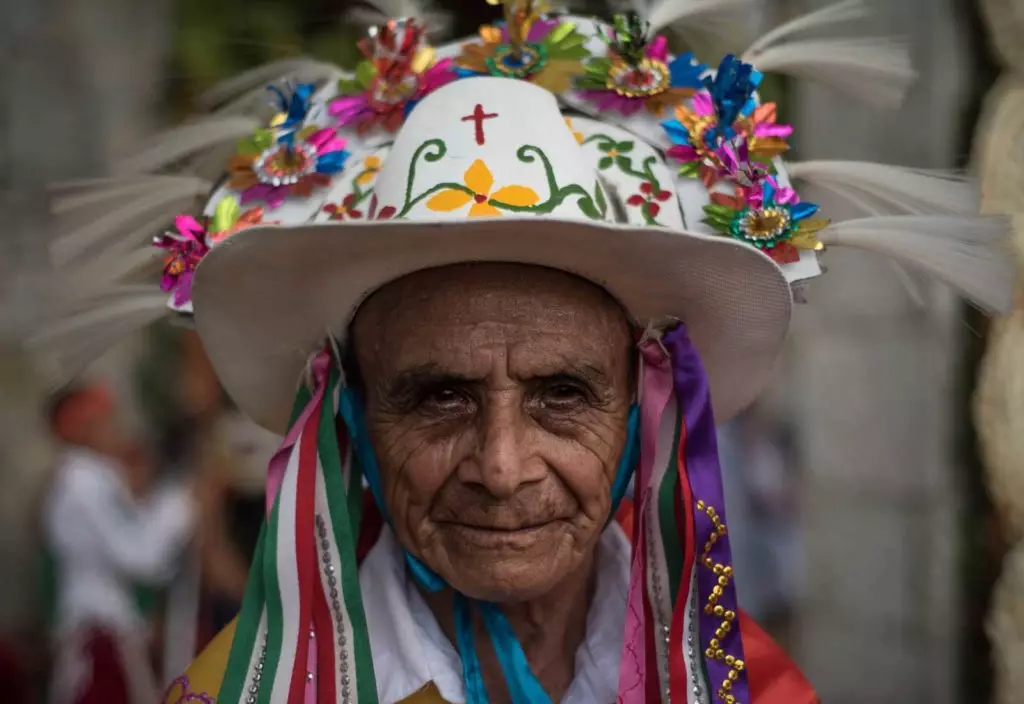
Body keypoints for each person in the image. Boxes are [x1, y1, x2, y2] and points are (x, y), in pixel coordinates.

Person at [41, 2, 1012, 703]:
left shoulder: (741, 685)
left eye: (560, 395)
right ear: (354, 415)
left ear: (641, 407)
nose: (503, 468)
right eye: (438, 399)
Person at [43, 383, 197, 704]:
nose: (115, 427)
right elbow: (142, 556)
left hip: (111, 633)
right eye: (103, 420)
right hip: (101, 632)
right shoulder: (82, 480)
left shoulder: (95, 477)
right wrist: (186, 500)